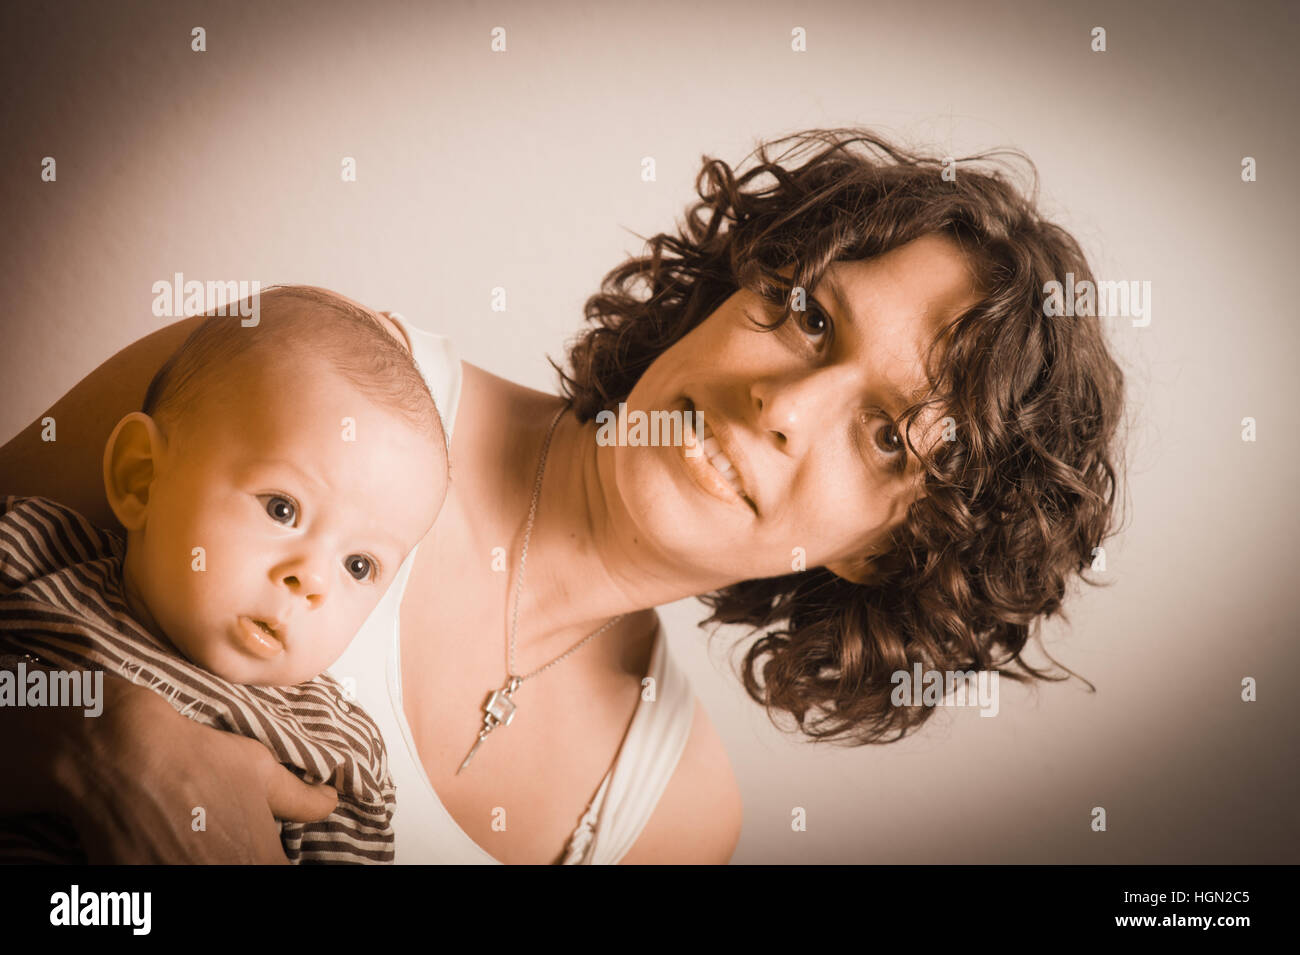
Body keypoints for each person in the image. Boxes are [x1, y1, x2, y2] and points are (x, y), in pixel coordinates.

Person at [0, 128, 1127, 864]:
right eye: (807, 312)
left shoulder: (671, 818)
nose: (784, 403)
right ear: (731, 284)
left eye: (886, 436)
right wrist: (80, 738)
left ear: (887, 553)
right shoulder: (298, 383)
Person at [0, 287, 449, 862]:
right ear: (142, 478)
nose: (311, 580)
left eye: (358, 565)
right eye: (281, 509)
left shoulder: (336, 752)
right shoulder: (33, 553)